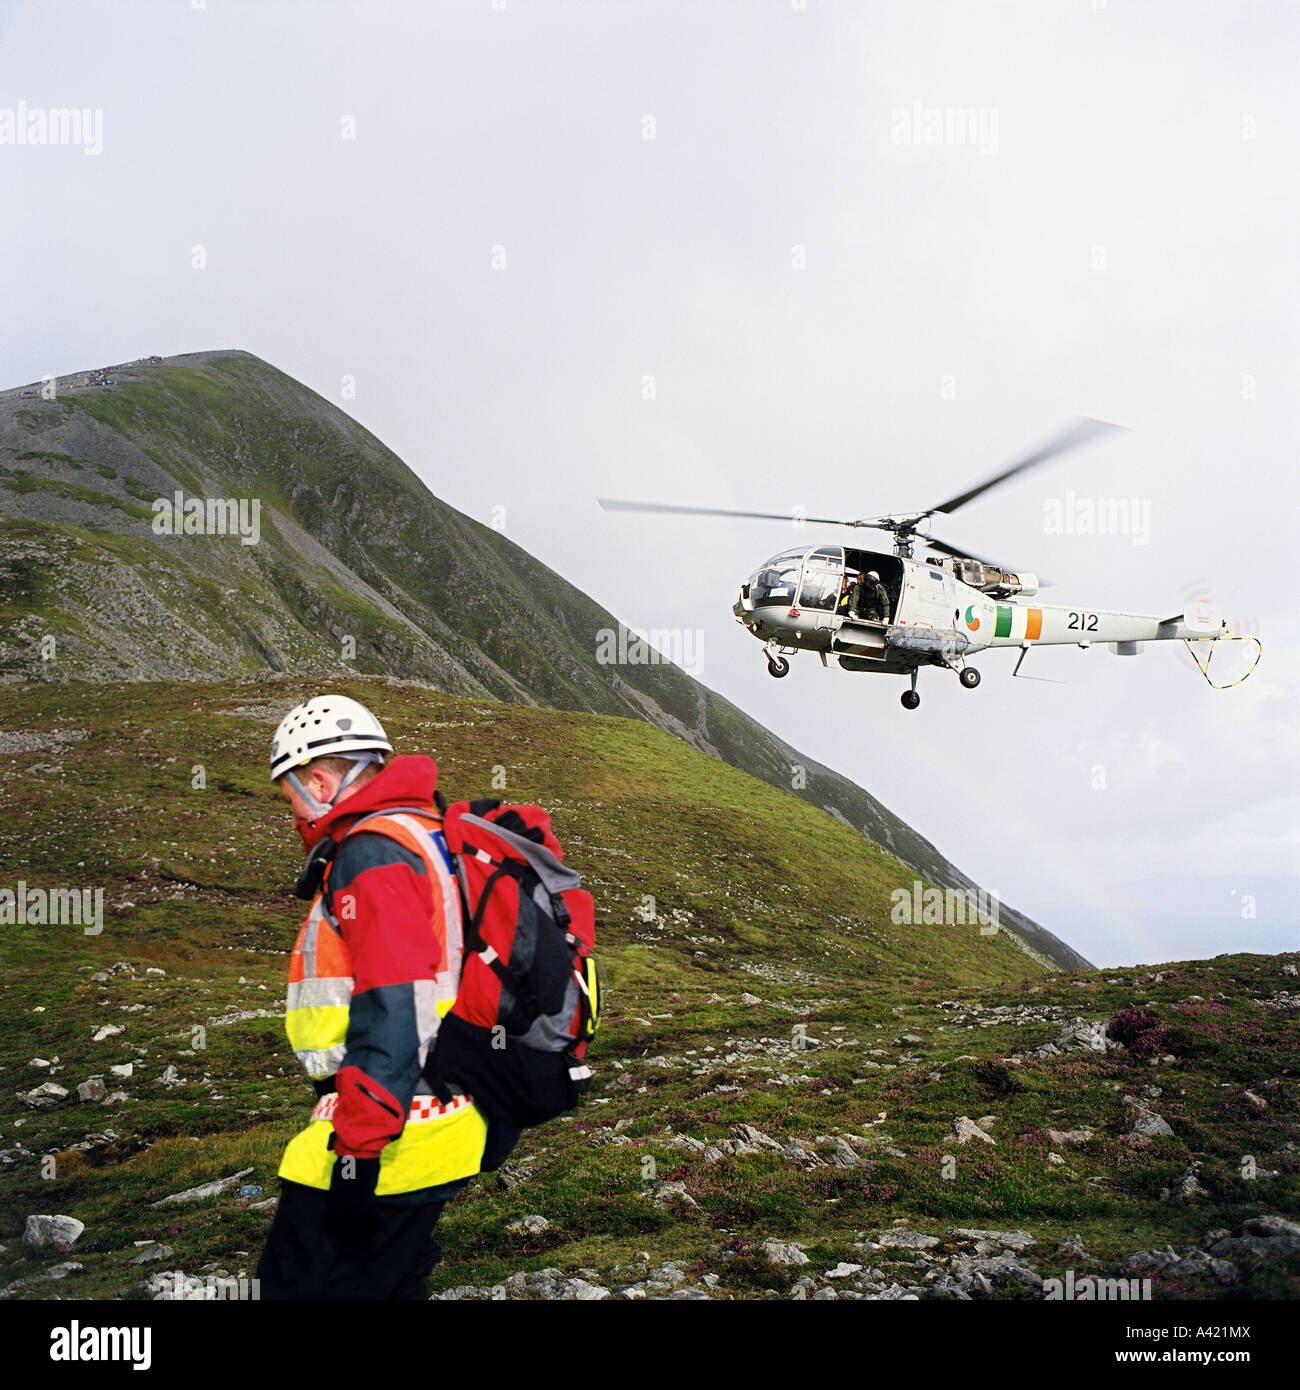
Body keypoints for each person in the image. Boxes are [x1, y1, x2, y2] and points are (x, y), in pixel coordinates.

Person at [255, 695, 510, 1300]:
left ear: (318, 781)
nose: (291, 814)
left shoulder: (371, 850)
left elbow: (397, 1002)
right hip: (444, 1119)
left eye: (288, 795)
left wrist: (357, 1153)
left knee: (297, 1285)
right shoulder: (430, 834)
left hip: (392, 1131)